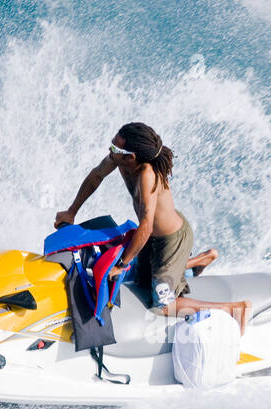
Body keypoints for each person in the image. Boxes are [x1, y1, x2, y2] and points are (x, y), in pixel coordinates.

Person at [55, 122, 251, 333]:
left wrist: (122, 263)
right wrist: (71, 211)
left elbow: (146, 226)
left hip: (171, 241)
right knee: (141, 280)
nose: (110, 150)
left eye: (115, 148)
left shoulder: (147, 174)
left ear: (131, 156)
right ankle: (201, 259)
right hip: (151, 236)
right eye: (112, 144)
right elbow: (96, 176)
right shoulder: (119, 160)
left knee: (163, 305)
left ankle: (234, 309)